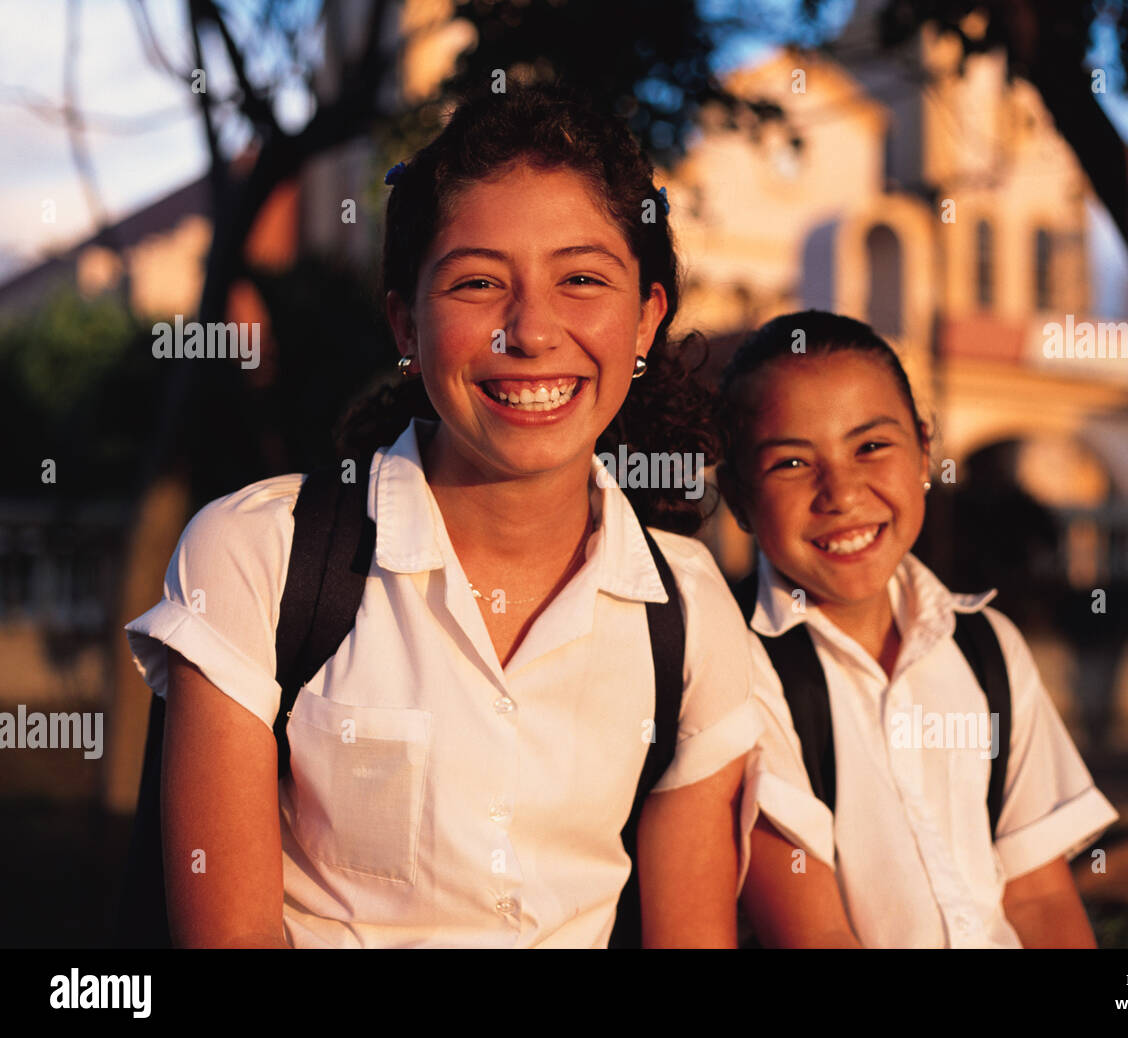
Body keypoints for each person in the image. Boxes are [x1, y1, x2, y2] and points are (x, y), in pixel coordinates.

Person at [124, 85, 854, 948]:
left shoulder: (688, 610)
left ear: (647, 318)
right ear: (406, 321)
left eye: (582, 278)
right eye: (477, 282)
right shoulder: (261, 556)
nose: (531, 330)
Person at [718, 310, 1120, 948]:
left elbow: (1040, 898)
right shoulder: (734, 668)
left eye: (872, 447)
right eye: (793, 463)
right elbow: (813, 931)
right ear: (739, 498)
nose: (842, 493)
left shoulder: (987, 646)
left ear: (925, 449)